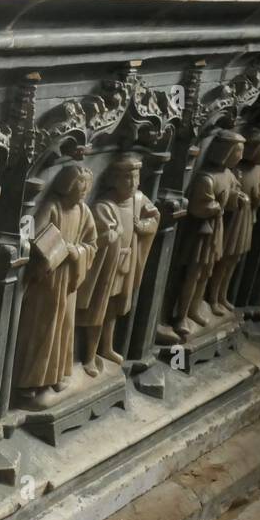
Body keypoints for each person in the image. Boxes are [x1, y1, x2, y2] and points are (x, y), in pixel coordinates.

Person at [14, 164, 98, 403]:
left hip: (69, 280)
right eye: (79, 185)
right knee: (42, 329)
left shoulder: (84, 212)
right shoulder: (52, 207)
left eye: (86, 187)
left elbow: (92, 244)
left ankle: (58, 374)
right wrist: (53, 252)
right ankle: (29, 382)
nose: (83, 191)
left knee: (64, 327)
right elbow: (33, 236)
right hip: (47, 281)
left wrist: (77, 251)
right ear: (67, 185)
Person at [87, 154, 161, 371]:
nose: (132, 183)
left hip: (126, 264)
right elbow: (97, 236)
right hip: (105, 268)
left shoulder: (138, 200)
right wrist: (111, 234)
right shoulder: (104, 206)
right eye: (126, 178)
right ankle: (90, 355)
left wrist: (143, 226)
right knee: (97, 311)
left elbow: (155, 217)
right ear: (114, 180)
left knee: (114, 308)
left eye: (135, 177)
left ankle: (107, 347)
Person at [173, 131, 247, 336]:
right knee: (194, 273)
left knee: (207, 271)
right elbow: (198, 206)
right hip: (201, 233)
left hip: (216, 229)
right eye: (237, 151)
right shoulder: (207, 178)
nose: (240, 156)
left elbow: (232, 196)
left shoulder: (229, 175)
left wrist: (236, 197)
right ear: (226, 151)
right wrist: (217, 206)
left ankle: (194, 310)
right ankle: (181, 316)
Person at [207, 130, 260, 314]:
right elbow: (229, 195)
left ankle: (222, 295)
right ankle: (212, 297)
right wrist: (237, 195)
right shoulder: (236, 170)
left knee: (235, 259)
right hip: (233, 220)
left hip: (247, 218)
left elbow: (258, 199)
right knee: (224, 259)